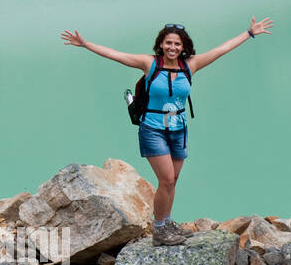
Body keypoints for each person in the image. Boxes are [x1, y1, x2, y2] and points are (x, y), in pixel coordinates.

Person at [59, 18, 273, 245]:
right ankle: (159, 230)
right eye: (168, 43)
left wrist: (249, 32)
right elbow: (115, 54)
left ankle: (166, 221)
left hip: (179, 130)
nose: (172, 48)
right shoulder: (148, 63)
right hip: (153, 128)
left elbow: (222, 49)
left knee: (173, 180)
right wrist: (85, 44)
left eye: (177, 44)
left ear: (184, 47)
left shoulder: (190, 66)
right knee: (167, 179)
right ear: (161, 44)